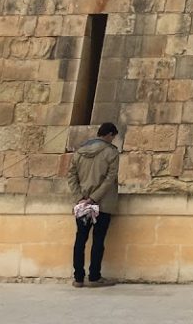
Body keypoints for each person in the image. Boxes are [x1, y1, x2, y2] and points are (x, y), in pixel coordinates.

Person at [68, 122, 120, 287]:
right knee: (98, 240)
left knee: (80, 239)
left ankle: (78, 278)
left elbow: (71, 176)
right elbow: (109, 179)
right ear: (109, 134)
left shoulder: (79, 152)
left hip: (82, 203)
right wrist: (94, 198)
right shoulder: (111, 152)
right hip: (102, 203)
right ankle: (94, 277)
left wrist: (80, 198)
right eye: (113, 137)